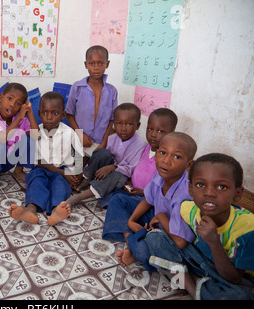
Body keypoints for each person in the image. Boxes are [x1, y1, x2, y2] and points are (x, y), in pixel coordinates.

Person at [146, 153, 254, 299]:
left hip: (226, 275)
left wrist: (214, 242)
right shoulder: (187, 208)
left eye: (221, 187)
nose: (209, 193)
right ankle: (195, 287)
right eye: (200, 185)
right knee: (154, 237)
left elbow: (234, 278)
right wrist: (161, 219)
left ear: (237, 194)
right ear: (191, 189)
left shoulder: (247, 228)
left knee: (241, 296)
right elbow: (179, 240)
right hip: (197, 260)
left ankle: (188, 282)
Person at [116, 132, 197, 271]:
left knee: (144, 250)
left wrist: (160, 217)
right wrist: (132, 220)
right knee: (117, 200)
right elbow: (148, 200)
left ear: (188, 164)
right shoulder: (161, 176)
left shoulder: (184, 196)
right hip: (155, 222)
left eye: (176, 156)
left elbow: (180, 242)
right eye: (163, 153)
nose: (166, 161)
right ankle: (133, 235)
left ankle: (134, 244)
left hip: (169, 236)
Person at [101, 108, 178, 241]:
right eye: (150, 129)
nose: (153, 135)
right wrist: (130, 180)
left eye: (160, 131)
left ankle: (127, 234)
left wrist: (142, 192)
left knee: (117, 201)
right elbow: (137, 167)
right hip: (133, 192)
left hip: (147, 202)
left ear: (171, 134)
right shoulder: (146, 148)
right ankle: (128, 229)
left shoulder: (166, 160)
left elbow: (160, 192)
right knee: (112, 194)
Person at [8, 92, 83, 226]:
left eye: (54, 113)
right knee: (36, 181)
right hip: (42, 168)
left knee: (59, 185)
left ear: (63, 115)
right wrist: (64, 173)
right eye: (44, 113)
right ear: (39, 113)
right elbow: (40, 161)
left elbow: (79, 155)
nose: (49, 118)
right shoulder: (37, 132)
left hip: (62, 169)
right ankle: (30, 210)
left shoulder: (69, 132)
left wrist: (74, 174)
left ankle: (56, 211)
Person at [66, 103, 146, 206]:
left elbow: (132, 169)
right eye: (119, 123)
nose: (123, 128)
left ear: (137, 125)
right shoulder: (112, 138)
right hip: (105, 170)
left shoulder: (140, 144)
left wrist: (113, 167)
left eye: (129, 124)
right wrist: (107, 166)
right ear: (114, 124)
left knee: (118, 175)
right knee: (102, 153)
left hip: (119, 175)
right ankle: (85, 178)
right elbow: (104, 158)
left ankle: (79, 197)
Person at [0, 82, 38, 198]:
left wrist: (29, 114)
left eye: (18, 103)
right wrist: (19, 117)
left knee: (29, 139)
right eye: (9, 98)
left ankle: (18, 172)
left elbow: (36, 136)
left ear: (21, 107)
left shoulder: (23, 121)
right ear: (1, 98)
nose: (12, 104)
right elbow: (2, 138)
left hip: (7, 163)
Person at [65, 45, 118, 152]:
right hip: (79, 141)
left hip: (100, 143)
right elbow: (69, 114)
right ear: (86, 64)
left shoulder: (112, 91)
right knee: (77, 166)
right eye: (92, 63)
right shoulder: (77, 87)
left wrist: (104, 143)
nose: (96, 67)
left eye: (101, 63)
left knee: (97, 165)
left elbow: (112, 120)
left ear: (107, 64)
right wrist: (80, 135)